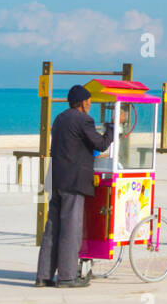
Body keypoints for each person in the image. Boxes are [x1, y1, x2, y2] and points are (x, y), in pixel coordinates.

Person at [36, 85, 115, 288]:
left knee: (52, 228)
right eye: (89, 102)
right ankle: (67, 277)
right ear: (82, 103)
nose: (90, 105)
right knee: (71, 229)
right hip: (73, 181)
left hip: (55, 179)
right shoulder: (84, 120)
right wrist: (113, 127)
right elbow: (101, 144)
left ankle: (43, 276)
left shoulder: (60, 118)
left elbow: (74, 145)